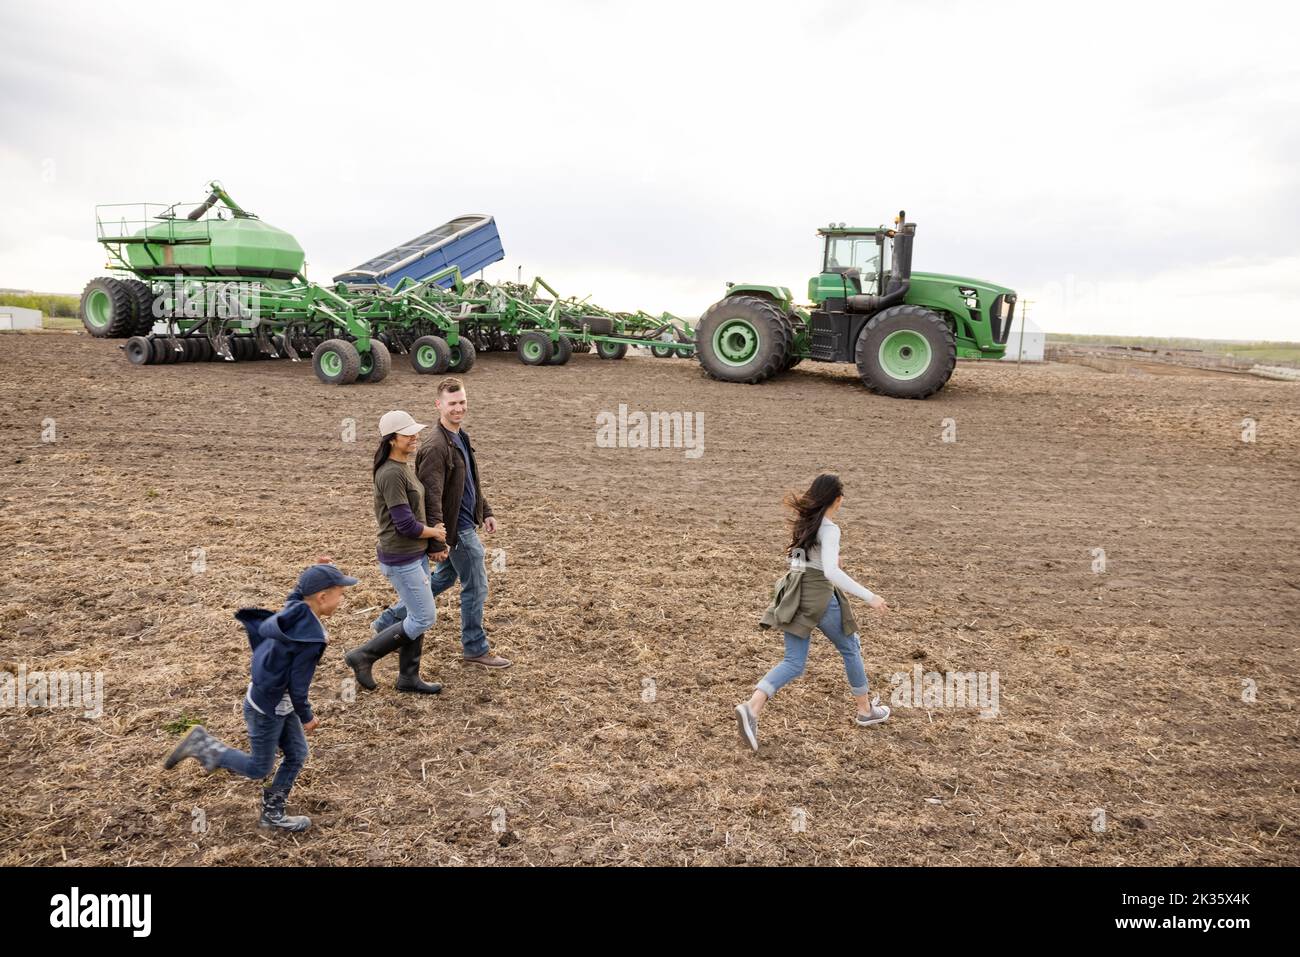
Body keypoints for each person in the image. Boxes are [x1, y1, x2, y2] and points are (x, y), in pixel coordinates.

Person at [163, 562, 359, 831]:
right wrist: (307, 716)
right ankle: (202, 746)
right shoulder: (309, 639)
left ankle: (273, 814)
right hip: (269, 707)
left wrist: (318, 571)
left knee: (297, 754)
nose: (343, 598)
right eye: (340, 593)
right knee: (258, 768)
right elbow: (298, 686)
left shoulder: (297, 608)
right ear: (322, 597)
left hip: (274, 700)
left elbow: (298, 591)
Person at [735, 473, 890, 752]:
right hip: (819, 596)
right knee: (850, 648)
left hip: (795, 593)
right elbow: (831, 572)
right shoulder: (830, 529)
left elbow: (795, 559)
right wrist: (870, 596)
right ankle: (866, 712)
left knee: (794, 661)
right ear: (838, 500)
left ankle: (752, 707)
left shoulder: (805, 523)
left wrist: (824, 561)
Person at [371, 378, 511, 668]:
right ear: (439, 405)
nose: (458, 408)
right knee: (476, 586)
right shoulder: (435, 445)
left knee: (444, 577)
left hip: (464, 523)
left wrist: (485, 511)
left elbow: (470, 481)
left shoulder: (461, 436)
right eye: (452, 403)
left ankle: (389, 619)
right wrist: (438, 540)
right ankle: (474, 647)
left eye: (462, 402)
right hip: (454, 529)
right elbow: (430, 496)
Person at [344, 410, 447, 695]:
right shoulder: (390, 473)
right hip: (401, 557)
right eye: (408, 434)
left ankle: (408, 677)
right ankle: (363, 655)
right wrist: (434, 534)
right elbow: (404, 524)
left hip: (413, 554)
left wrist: (430, 543)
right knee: (425, 617)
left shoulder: (402, 467)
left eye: (415, 432)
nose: (415, 437)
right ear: (392, 440)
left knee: (415, 614)